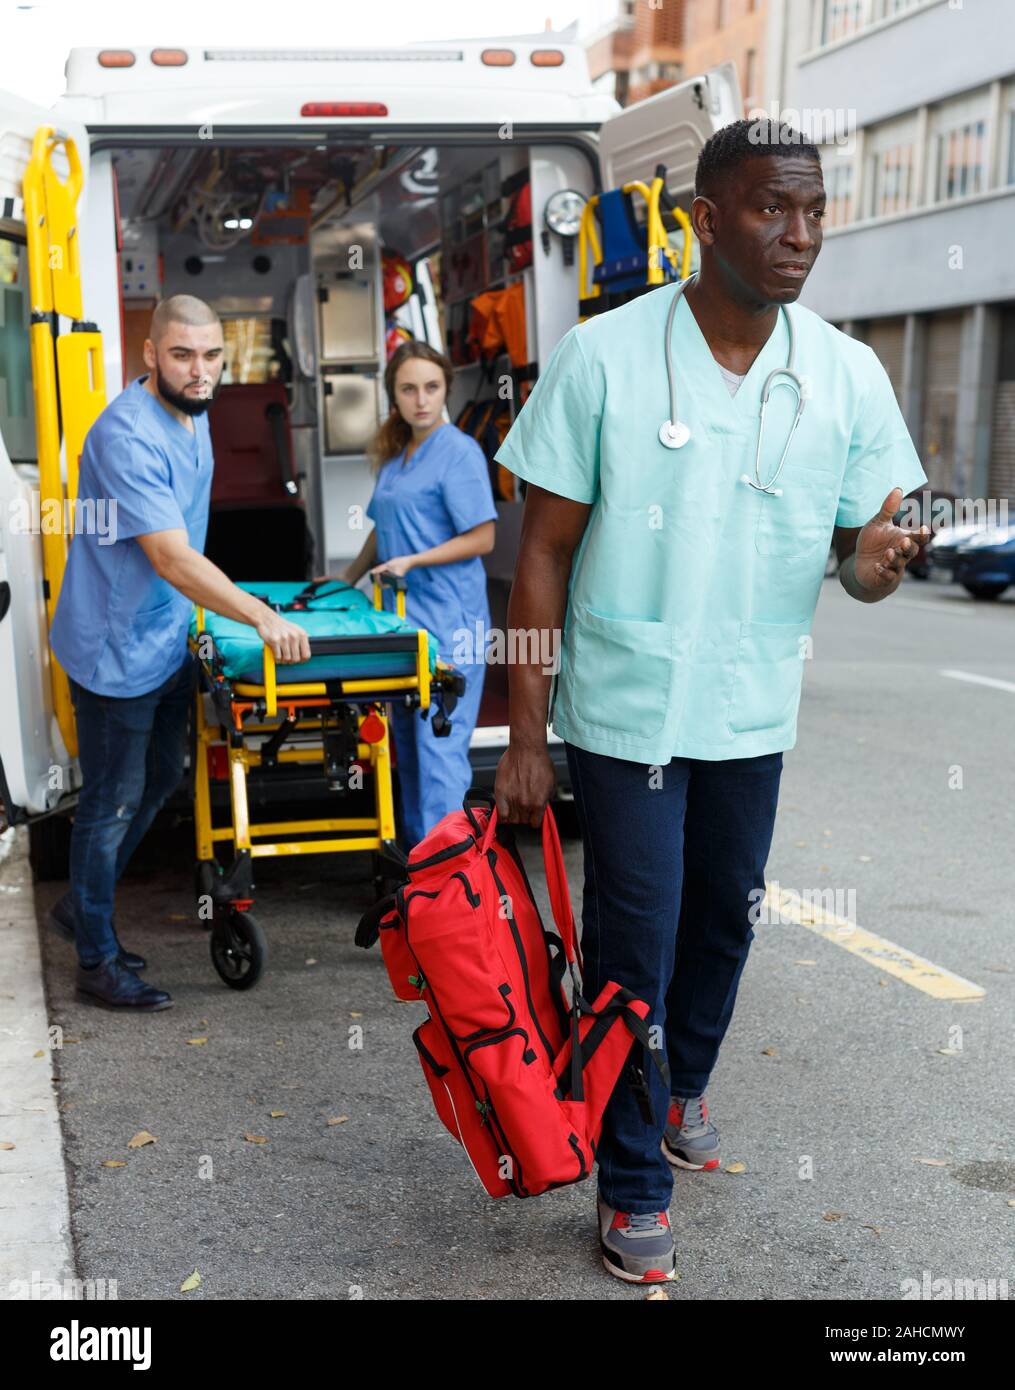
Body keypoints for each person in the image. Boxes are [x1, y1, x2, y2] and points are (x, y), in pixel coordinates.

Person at [492, 119, 930, 1284]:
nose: (799, 235)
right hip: (626, 706)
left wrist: (880, 561)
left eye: (815, 210)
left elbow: (863, 544)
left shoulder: (841, 370)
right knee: (632, 936)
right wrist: (526, 731)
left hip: (748, 708)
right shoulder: (602, 356)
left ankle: (680, 1082)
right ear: (704, 217)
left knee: (724, 921)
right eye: (770, 209)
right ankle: (628, 1175)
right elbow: (537, 552)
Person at [48, 295, 311, 1012]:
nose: (199, 371)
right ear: (150, 354)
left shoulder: (192, 417)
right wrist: (257, 614)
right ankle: (95, 960)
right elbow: (169, 555)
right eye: (182, 355)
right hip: (113, 649)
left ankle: (82, 905)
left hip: (162, 637)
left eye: (211, 356)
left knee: (162, 775)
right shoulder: (125, 436)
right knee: (109, 803)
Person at [335, 341, 497, 849]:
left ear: (446, 387)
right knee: (408, 752)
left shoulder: (459, 452)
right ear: (394, 396)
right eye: (408, 389)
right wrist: (345, 580)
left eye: (431, 387)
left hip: (451, 627)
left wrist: (414, 561)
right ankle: (417, 874)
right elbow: (382, 530)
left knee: (440, 758)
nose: (421, 399)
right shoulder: (397, 456)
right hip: (402, 628)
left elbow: (483, 536)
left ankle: (447, 885)